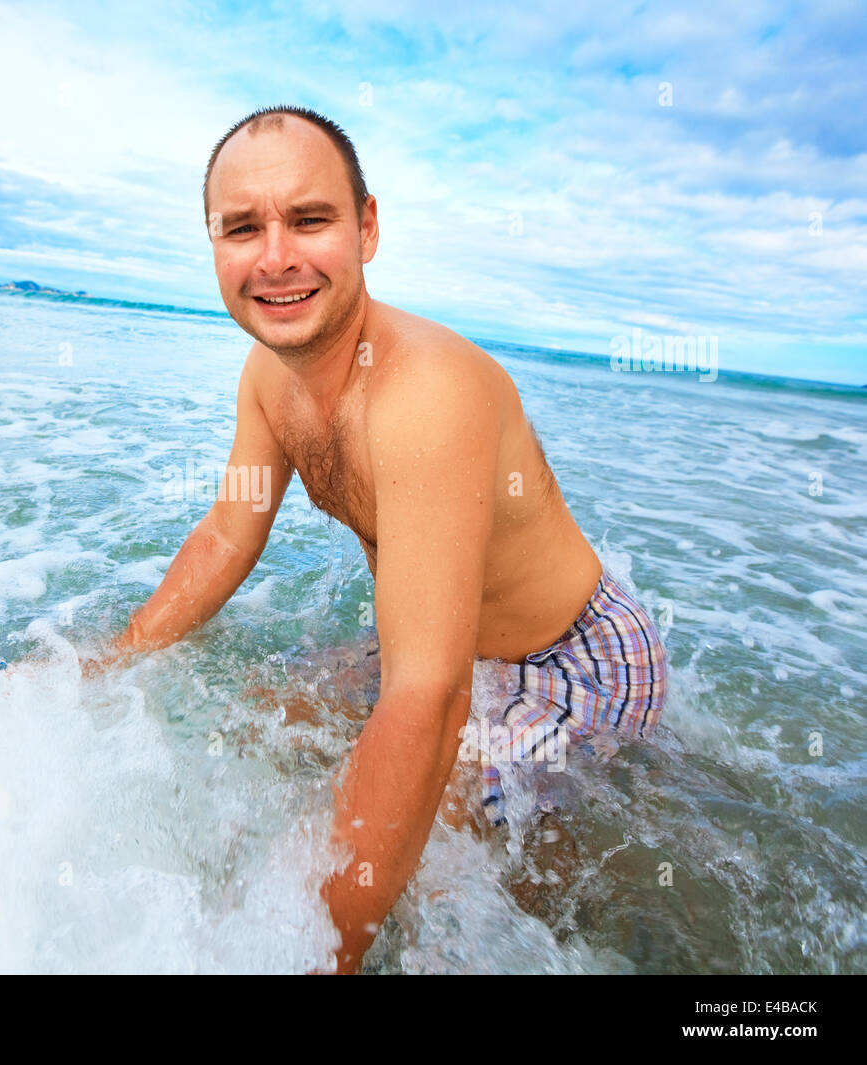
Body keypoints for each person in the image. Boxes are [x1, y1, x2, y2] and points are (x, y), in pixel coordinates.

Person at [83, 105, 668, 974]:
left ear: (367, 228)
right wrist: (106, 663)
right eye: (243, 228)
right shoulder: (268, 378)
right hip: (453, 647)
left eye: (309, 219)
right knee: (269, 722)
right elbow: (224, 534)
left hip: (573, 657)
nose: (275, 257)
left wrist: (321, 953)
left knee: (450, 860)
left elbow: (426, 700)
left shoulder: (426, 393)